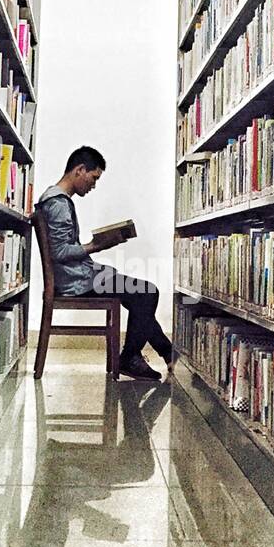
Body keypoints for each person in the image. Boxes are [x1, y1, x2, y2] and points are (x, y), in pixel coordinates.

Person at [35, 145, 174, 381]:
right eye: (94, 177)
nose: (94, 185)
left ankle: (165, 352)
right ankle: (134, 358)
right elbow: (58, 252)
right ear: (79, 170)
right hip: (76, 283)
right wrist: (96, 245)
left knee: (138, 295)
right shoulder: (58, 203)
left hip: (78, 276)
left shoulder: (54, 199)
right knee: (147, 293)